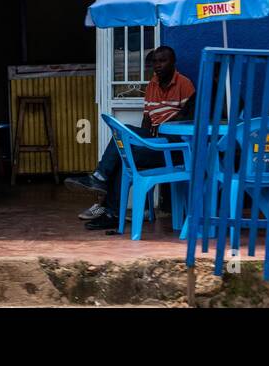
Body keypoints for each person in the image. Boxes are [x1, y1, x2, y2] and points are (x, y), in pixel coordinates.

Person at [64, 46, 195, 231]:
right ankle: (111, 212)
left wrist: (159, 132)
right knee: (124, 153)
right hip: (153, 143)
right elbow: (147, 119)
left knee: (124, 135)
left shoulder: (185, 84)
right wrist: (142, 142)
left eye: (162, 61)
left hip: (172, 148)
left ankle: (100, 180)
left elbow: (187, 119)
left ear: (173, 63)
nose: (157, 65)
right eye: (155, 62)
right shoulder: (152, 85)